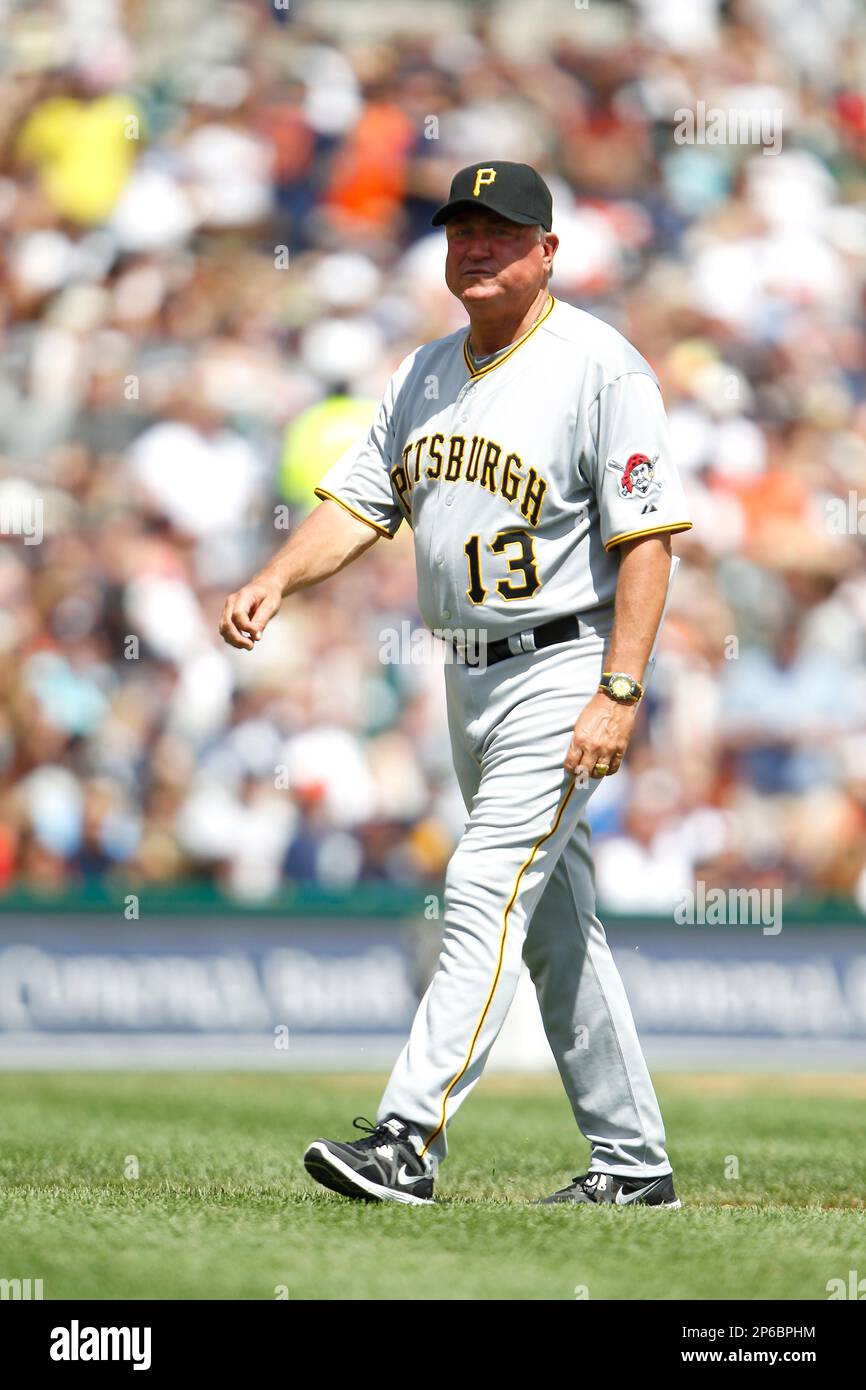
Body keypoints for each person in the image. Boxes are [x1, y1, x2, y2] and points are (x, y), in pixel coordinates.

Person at [219, 162, 692, 1207]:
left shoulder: (598, 366)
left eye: (501, 232)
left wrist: (618, 686)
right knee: (557, 926)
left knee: (480, 882)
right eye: (460, 231)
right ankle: (633, 1163)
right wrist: (272, 578)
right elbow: (357, 503)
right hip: (466, 679)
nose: (476, 248)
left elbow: (650, 541)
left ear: (547, 252)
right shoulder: (425, 372)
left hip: (565, 661)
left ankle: (406, 1137)